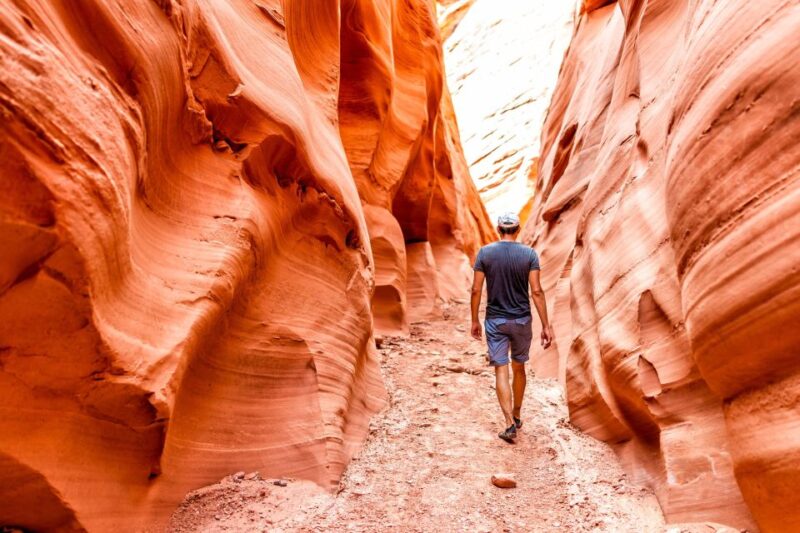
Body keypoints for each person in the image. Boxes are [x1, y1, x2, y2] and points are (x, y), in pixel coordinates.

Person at [470, 212, 553, 443]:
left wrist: (474, 320)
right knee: (519, 367)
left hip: (495, 321)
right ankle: (516, 414)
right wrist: (546, 325)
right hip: (522, 320)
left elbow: (476, 289)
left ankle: (508, 424)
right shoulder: (529, 254)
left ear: (499, 229)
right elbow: (537, 291)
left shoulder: (485, 253)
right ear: (517, 230)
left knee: (501, 370)